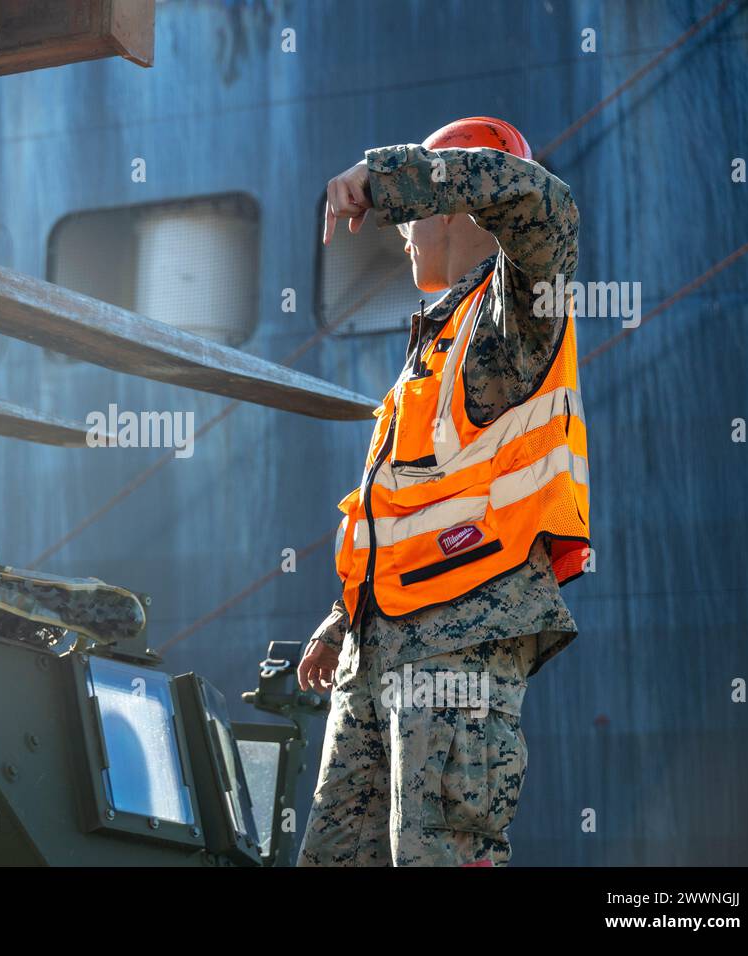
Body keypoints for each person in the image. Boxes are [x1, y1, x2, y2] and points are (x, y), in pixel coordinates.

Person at [296, 117, 590, 867]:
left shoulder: (515, 321)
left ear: (459, 204)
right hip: (381, 643)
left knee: (440, 855)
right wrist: (342, 618)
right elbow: (407, 507)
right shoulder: (440, 339)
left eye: (415, 210)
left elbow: (545, 206)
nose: (400, 230)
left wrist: (389, 176)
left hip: (459, 639)